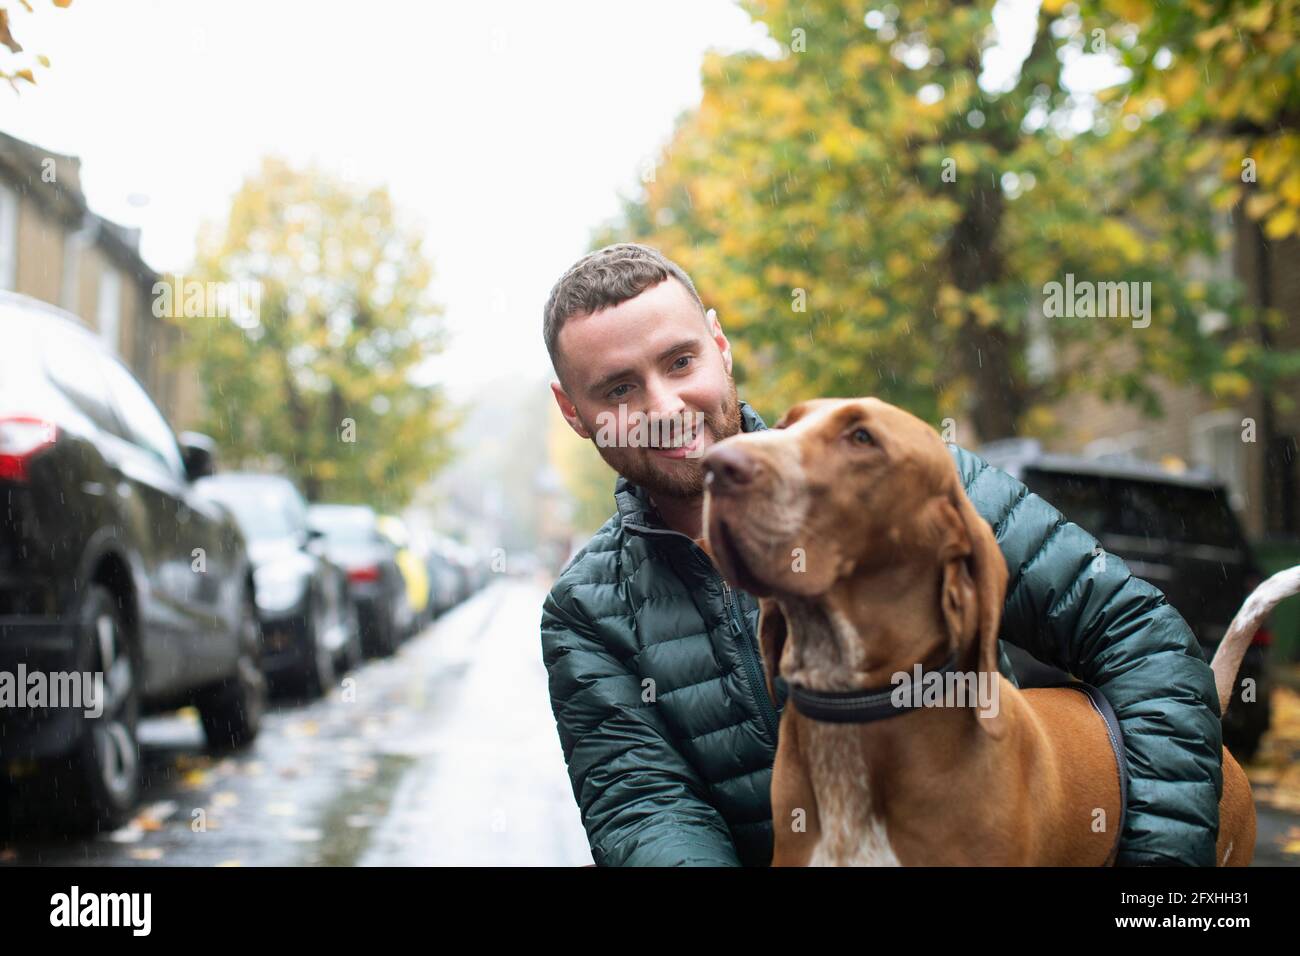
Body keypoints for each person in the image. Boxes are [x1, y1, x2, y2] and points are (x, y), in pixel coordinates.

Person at [539, 242, 1223, 866]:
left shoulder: (914, 479)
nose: (665, 406)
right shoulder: (587, 615)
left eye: (680, 361)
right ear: (574, 412)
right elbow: (649, 815)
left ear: (720, 346)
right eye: (620, 389)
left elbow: (1143, 641)